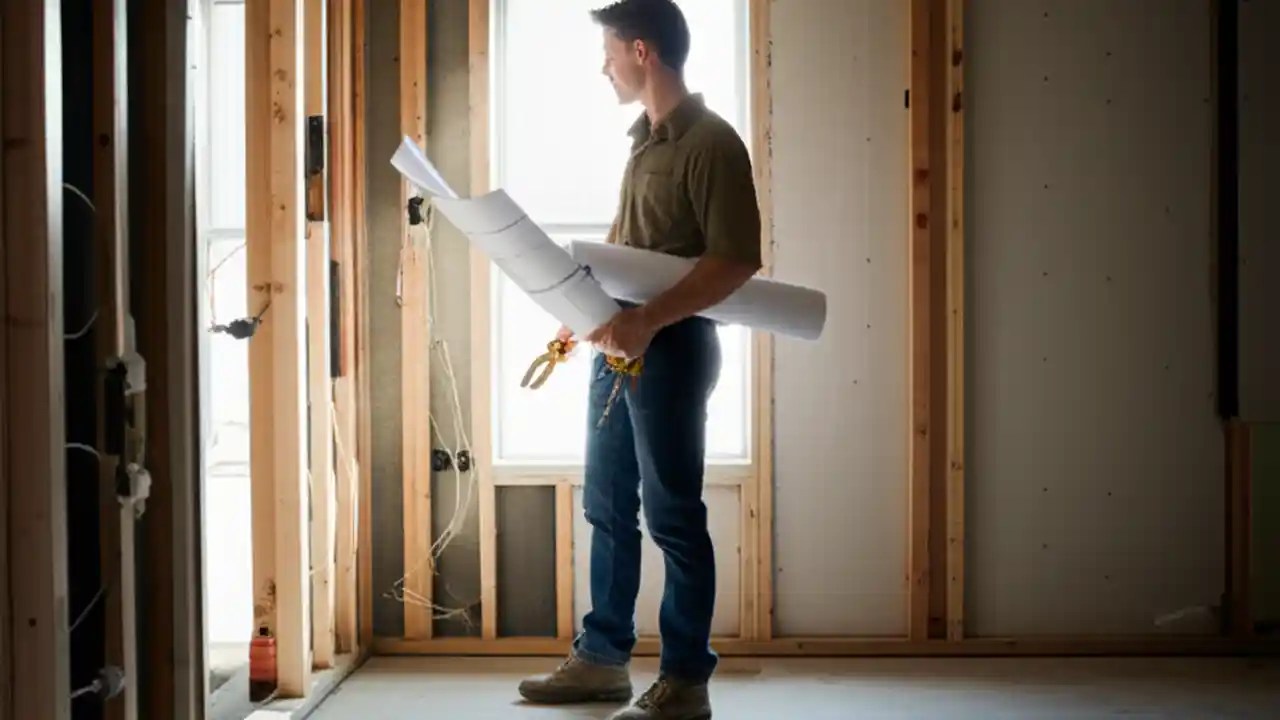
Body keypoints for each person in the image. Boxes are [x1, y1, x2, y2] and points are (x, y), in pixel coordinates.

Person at [517, 1, 762, 718]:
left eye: (609, 52)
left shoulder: (712, 144)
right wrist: (581, 317)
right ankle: (602, 660)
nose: (605, 66)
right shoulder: (644, 141)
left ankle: (686, 681)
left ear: (643, 51)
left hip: (674, 350)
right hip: (618, 349)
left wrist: (649, 320)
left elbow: (737, 260)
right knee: (606, 506)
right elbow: (632, 248)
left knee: (673, 515)